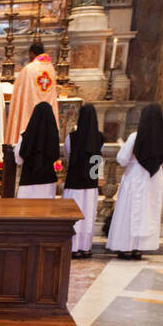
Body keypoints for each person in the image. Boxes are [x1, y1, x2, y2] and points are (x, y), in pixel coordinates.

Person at [107, 103, 163, 260]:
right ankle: (138, 248)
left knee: (129, 211)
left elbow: (122, 159)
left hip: (135, 176)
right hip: (153, 178)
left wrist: (125, 150)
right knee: (147, 212)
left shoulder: (135, 137)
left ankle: (126, 248)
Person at [64, 103, 103, 258]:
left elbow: (68, 155)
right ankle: (85, 247)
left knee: (73, 216)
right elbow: (98, 159)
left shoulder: (72, 137)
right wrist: (95, 177)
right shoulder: (100, 137)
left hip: (74, 181)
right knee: (88, 216)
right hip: (91, 183)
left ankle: (73, 247)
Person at [4, 41, 59, 147]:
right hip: (48, 115)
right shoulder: (51, 69)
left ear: (32, 53)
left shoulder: (29, 69)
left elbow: (19, 92)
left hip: (31, 113)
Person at [13, 101, 59, 198]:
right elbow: (56, 156)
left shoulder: (24, 136)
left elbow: (19, 160)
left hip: (27, 183)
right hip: (48, 184)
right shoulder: (54, 137)